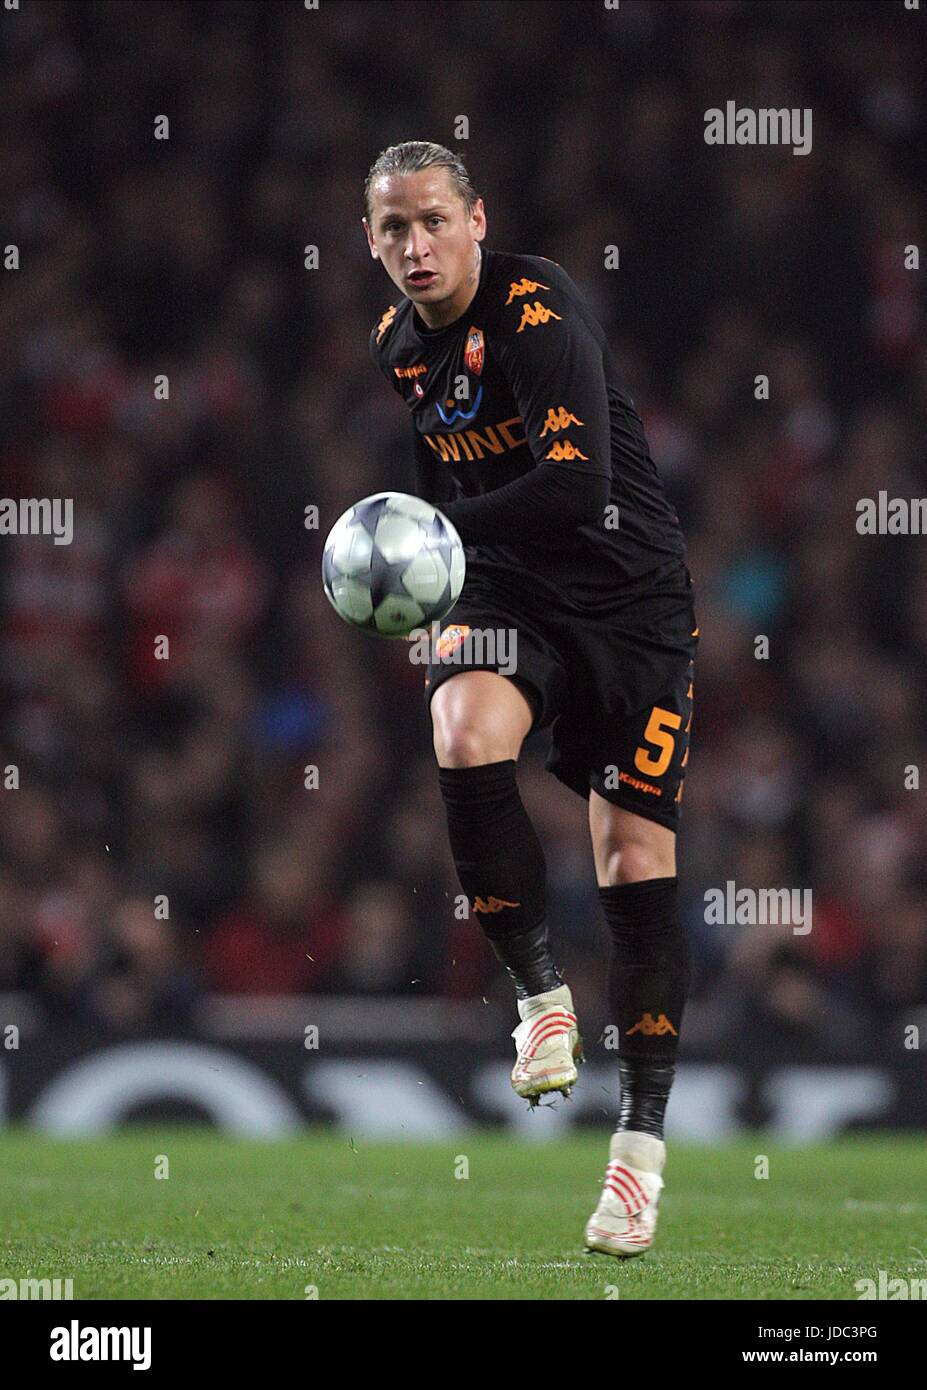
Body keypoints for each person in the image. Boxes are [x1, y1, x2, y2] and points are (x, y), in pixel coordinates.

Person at [364, 141, 698, 1259]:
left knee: (633, 860)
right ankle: (538, 998)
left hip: (630, 597)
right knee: (460, 728)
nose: (414, 246)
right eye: (391, 229)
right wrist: (413, 569)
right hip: (511, 586)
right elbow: (443, 482)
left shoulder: (535, 302)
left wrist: (434, 538)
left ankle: (638, 1155)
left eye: (430, 222)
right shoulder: (397, 350)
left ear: (475, 220)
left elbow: (574, 483)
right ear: (370, 241)